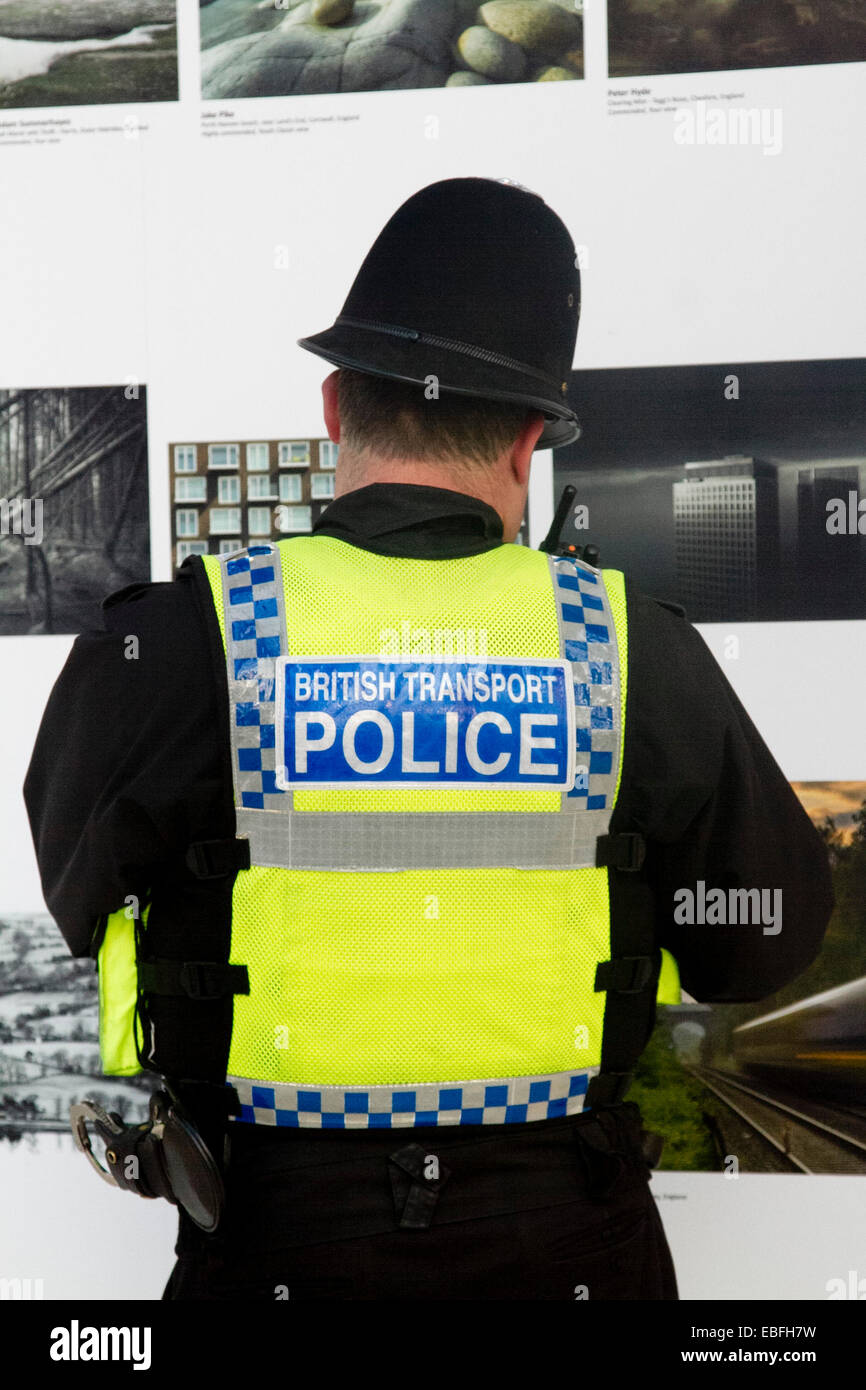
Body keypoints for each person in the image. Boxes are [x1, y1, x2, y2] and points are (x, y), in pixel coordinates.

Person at [23, 178, 833, 1301]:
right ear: (529, 440)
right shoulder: (627, 648)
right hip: (564, 1248)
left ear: (332, 406)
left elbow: (79, 896)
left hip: (275, 1248)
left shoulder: (176, 643)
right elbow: (762, 943)